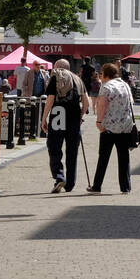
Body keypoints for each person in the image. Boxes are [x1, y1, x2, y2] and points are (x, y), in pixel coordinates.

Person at [42, 58, 91, 193]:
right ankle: (70, 184)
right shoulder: (78, 79)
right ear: (69, 68)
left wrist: (44, 118)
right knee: (72, 151)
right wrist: (80, 116)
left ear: (57, 67)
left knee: (54, 148)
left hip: (58, 116)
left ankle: (59, 177)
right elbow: (86, 103)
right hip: (74, 117)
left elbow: (50, 99)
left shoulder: (55, 76)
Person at [87, 63, 135, 194]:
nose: (101, 77)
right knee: (124, 157)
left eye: (102, 74)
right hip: (125, 126)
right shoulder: (125, 85)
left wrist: (99, 121)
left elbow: (102, 105)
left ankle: (97, 186)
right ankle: (126, 187)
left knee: (103, 157)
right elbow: (132, 102)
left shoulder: (106, 87)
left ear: (106, 74)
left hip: (109, 126)